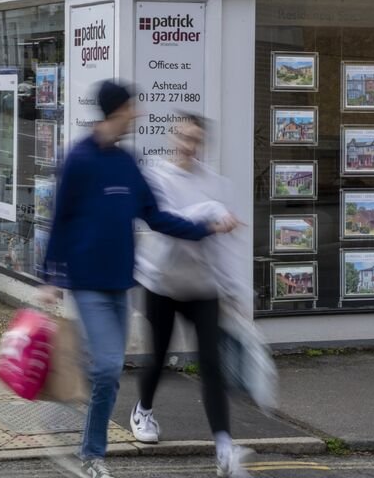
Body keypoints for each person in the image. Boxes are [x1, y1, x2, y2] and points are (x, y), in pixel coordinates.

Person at [40, 82, 236, 478]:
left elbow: (156, 215)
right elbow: (59, 219)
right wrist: (50, 276)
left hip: (120, 283)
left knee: (108, 374)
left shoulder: (127, 163)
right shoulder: (79, 159)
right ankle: (94, 456)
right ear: (117, 110)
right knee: (110, 366)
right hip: (87, 282)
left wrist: (207, 228)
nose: (137, 114)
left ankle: (90, 447)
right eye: (132, 107)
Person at [131, 115, 253, 478]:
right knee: (159, 358)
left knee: (211, 366)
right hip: (163, 283)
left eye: (195, 139)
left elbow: (227, 247)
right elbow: (170, 225)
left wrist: (236, 290)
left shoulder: (215, 183)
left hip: (203, 287)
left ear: (203, 144)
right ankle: (143, 409)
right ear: (172, 137)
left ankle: (224, 448)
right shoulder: (157, 177)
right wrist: (212, 214)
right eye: (183, 137)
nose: (188, 145)